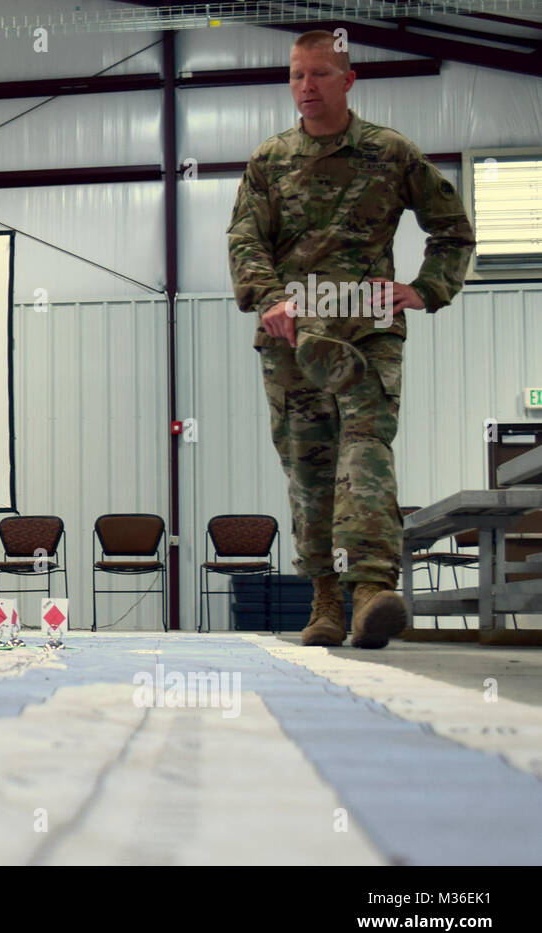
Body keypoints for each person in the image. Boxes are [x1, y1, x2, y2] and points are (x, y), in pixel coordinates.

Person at [227, 30, 475, 648]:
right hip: (294, 338)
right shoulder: (269, 160)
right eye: (296, 76)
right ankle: (326, 601)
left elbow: (452, 229)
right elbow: (244, 240)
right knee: (308, 468)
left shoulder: (391, 152)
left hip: (368, 332)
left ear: (347, 80)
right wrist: (270, 298)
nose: (306, 87)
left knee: (365, 453)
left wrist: (425, 288)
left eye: (318, 75)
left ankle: (370, 591)